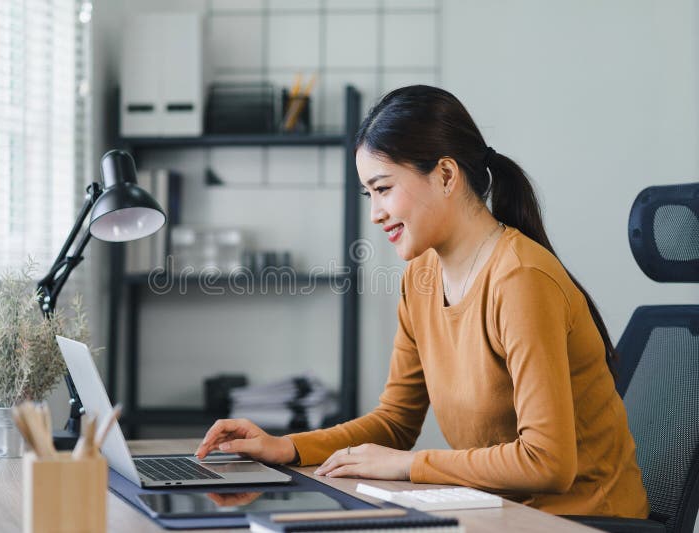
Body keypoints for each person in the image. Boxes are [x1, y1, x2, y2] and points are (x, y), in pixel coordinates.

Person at [194, 85, 649, 518]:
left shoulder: (520, 279)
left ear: (446, 175)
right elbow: (395, 421)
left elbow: (547, 462)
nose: (374, 213)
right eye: (368, 193)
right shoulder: (422, 278)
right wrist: (287, 447)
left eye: (385, 188)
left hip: (581, 520)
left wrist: (407, 465)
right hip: (498, 513)